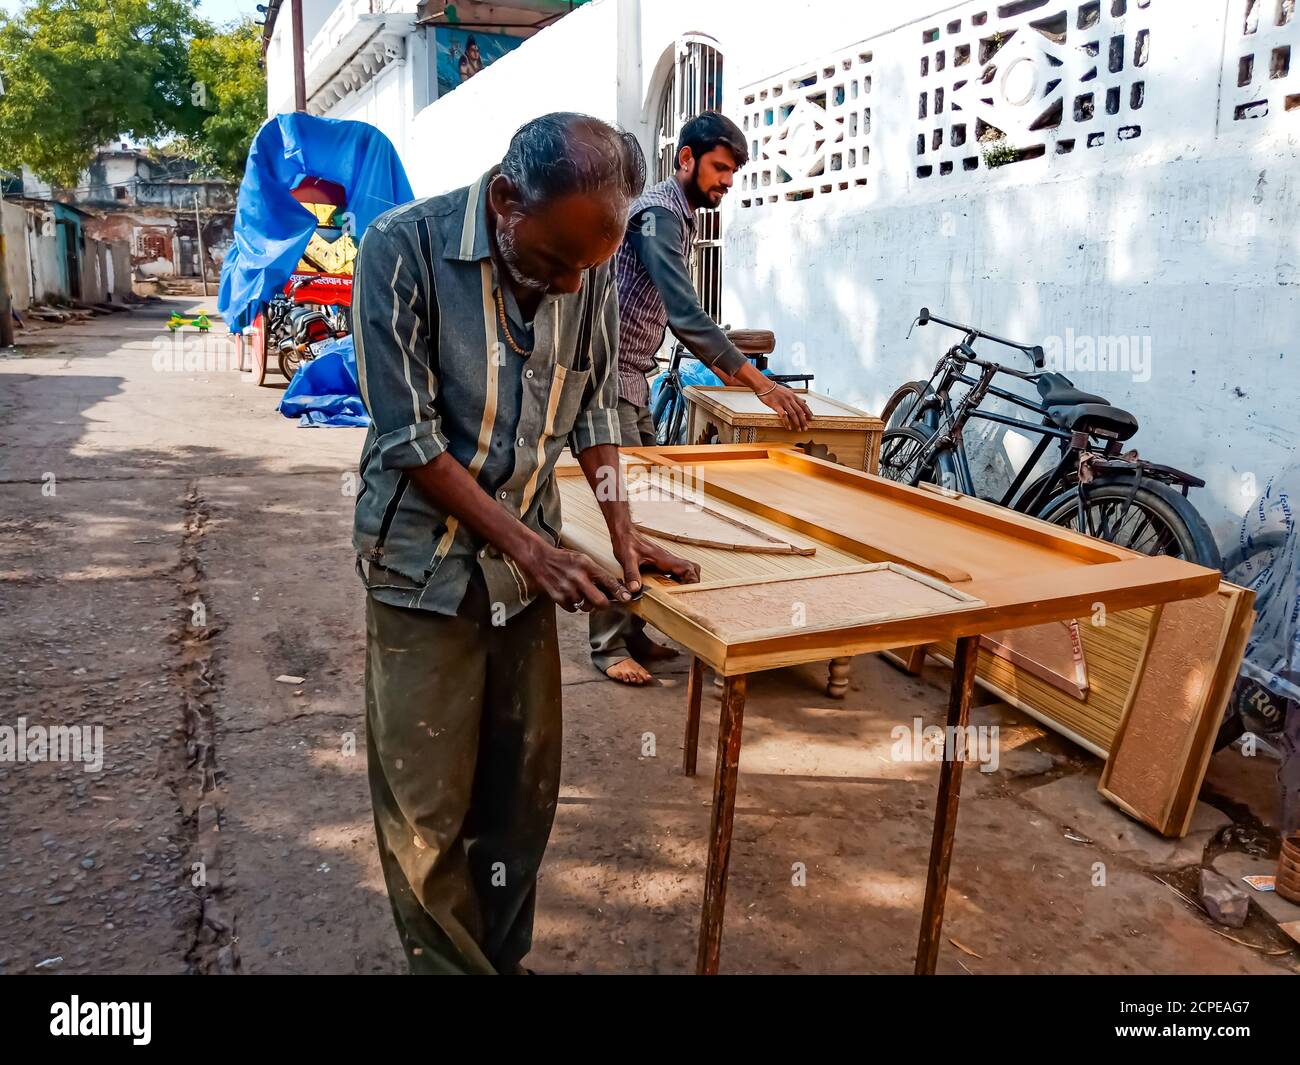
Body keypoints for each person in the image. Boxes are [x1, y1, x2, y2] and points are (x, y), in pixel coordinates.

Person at [351, 112, 700, 974]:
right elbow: (408, 438)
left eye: (585, 270)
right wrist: (537, 550)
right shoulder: (401, 249)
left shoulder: (588, 266)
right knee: (427, 816)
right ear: (507, 201)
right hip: (420, 573)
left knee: (520, 804)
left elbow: (595, 409)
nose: (569, 288)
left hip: (521, 580)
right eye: (549, 266)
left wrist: (623, 527)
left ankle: (500, 963)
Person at [590, 110, 813, 685]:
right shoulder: (660, 216)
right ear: (685, 158)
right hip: (609, 379)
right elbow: (688, 315)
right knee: (616, 504)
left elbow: (685, 315)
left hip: (633, 376)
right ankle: (609, 644)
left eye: (734, 171)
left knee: (641, 506)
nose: (727, 181)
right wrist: (761, 383)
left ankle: (634, 629)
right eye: (719, 168)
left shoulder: (677, 217)